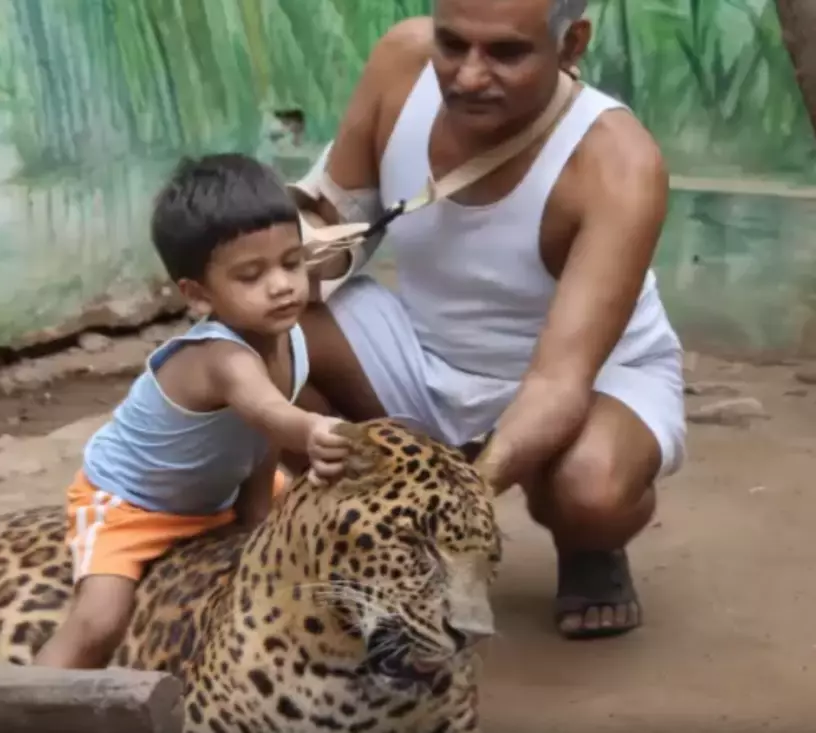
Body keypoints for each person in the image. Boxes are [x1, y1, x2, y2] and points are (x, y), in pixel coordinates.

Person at [284, 0, 686, 641]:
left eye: (505, 53)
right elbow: (336, 219)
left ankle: (587, 543)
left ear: (571, 44)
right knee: (262, 342)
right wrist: (270, 265)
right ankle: (356, 541)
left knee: (590, 492)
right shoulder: (399, 63)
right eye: (453, 44)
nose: (468, 76)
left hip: (585, 378)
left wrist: (456, 495)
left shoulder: (618, 162)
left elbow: (559, 382)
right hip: (422, 349)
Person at [33, 152, 352, 669]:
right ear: (198, 295)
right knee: (99, 624)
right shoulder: (218, 356)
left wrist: (258, 522)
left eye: (292, 262)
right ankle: (32, 708)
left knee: (318, 542)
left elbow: (259, 444)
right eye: (251, 275)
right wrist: (314, 428)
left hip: (220, 489)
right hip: (133, 503)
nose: (280, 284)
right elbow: (269, 413)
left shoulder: (289, 336)